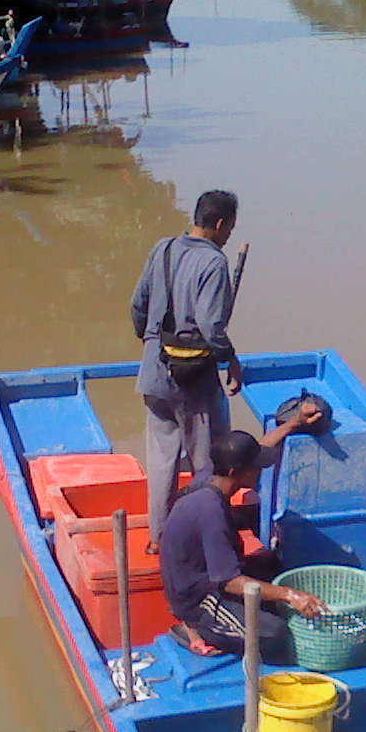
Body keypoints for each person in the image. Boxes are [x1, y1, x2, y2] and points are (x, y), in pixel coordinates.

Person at [130, 190, 245, 553]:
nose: (228, 238)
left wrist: (153, 345)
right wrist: (231, 359)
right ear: (221, 224)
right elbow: (212, 328)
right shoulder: (214, 264)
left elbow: (138, 305)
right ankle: (198, 539)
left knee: (162, 460)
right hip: (192, 380)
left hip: (154, 372)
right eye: (229, 230)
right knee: (206, 463)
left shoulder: (162, 249)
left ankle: (159, 538)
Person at [159, 426, 329, 660]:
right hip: (199, 599)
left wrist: (293, 422)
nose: (260, 470)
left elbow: (262, 446)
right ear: (236, 471)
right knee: (275, 635)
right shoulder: (211, 510)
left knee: (275, 562)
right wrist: (290, 595)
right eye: (255, 467)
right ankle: (198, 630)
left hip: (208, 572)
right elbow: (229, 581)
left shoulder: (212, 476)